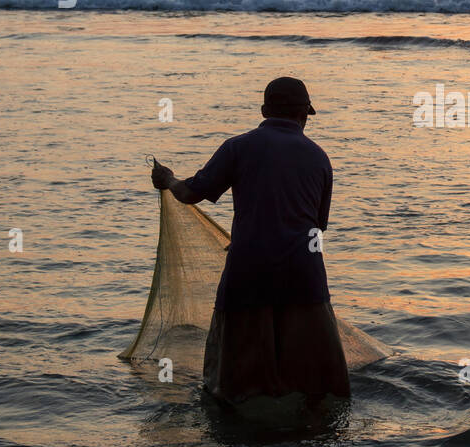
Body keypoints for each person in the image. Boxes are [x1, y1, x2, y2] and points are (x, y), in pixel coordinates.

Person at [149, 77, 350, 404]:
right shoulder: (319, 158)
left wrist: (168, 179)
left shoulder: (238, 148)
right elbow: (316, 228)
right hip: (304, 275)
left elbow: (191, 193)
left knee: (237, 383)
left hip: (249, 270)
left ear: (263, 111)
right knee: (312, 383)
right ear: (304, 116)